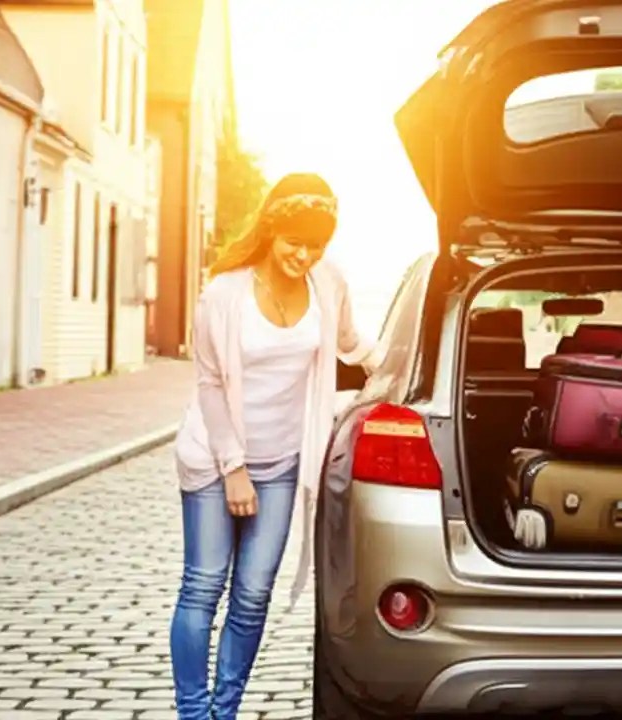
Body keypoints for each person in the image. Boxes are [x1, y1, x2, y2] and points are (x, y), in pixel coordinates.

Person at [169, 173, 377, 720]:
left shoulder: (328, 282)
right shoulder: (224, 292)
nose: (304, 255)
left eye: (317, 245)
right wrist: (233, 468)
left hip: (284, 462)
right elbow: (210, 386)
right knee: (204, 585)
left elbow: (354, 346)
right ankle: (193, 714)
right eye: (295, 242)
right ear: (271, 228)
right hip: (215, 461)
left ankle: (224, 712)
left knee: (254, 593)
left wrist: (403, 375)